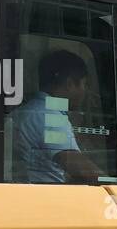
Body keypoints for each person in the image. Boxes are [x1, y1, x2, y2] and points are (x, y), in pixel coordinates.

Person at [10, 50, 100, 184]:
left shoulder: (30, 110)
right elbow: (78, 167)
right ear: (69, 84)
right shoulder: (49, 116)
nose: (85, 91)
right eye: (84, 84)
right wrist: (109, 180)